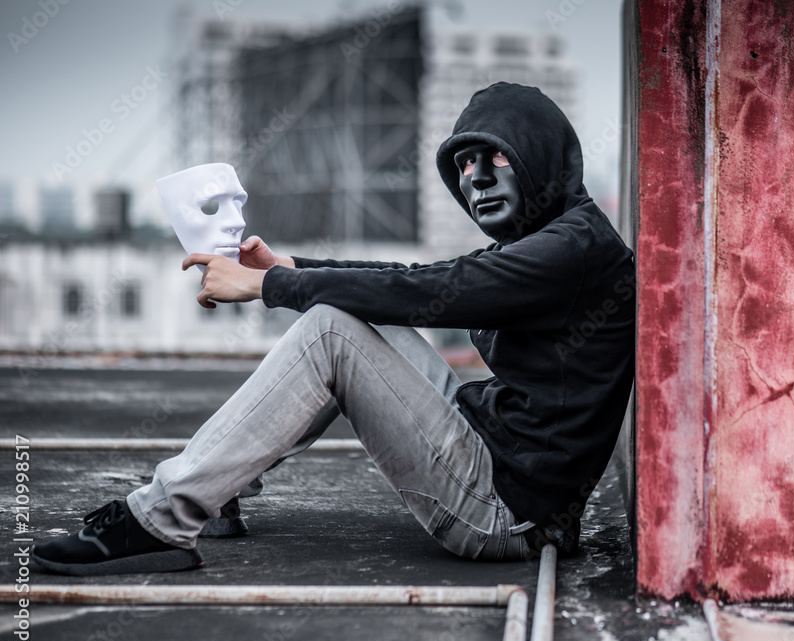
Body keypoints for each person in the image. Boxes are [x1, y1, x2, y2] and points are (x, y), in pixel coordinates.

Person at [31, 82, 636, 576]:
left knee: (329, 332)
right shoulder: (559, 238)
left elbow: (428, 292)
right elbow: (411, 278)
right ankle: (220, 478)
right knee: (345, 317)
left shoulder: (573, 249)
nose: (476, 178)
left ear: (545, 157)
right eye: (464, 162)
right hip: (496, 460)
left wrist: (269, 288)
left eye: (498, 156)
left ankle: (162, 518)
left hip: (505, 514)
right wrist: (292, 268)